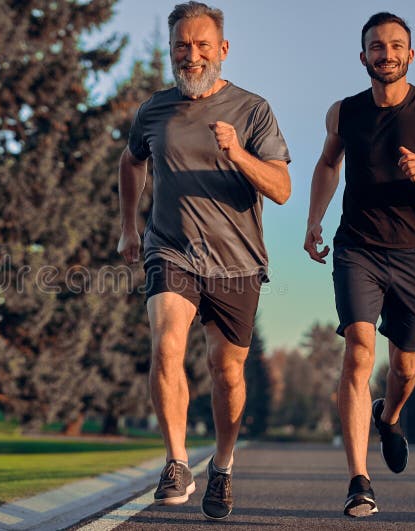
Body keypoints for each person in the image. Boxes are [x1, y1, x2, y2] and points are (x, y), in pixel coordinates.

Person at [117, 1, 291, 521]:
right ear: (172, 51)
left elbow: (281, 189)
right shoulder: (154, 110)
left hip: (237, 261)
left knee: (227, 372)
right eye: (181, 47)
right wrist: (130, 226)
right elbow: (131, 162)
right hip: (171, 249)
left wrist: (237, 153)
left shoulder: (253, 110)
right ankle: (174, 461)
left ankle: (222, 463)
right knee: (166, 345)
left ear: (223, 50)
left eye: (201, 46)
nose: (191, 56)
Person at [304, 12, 415, 517]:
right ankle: (359, 479)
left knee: (405, 366)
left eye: (396, 45)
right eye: (376, 47)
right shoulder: (344, 112)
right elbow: (327, 163)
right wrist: (314, 219)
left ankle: (390, 415)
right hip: (357, 246)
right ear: (364, 57)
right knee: (359, 350)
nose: (386, 53)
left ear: (410, 54)